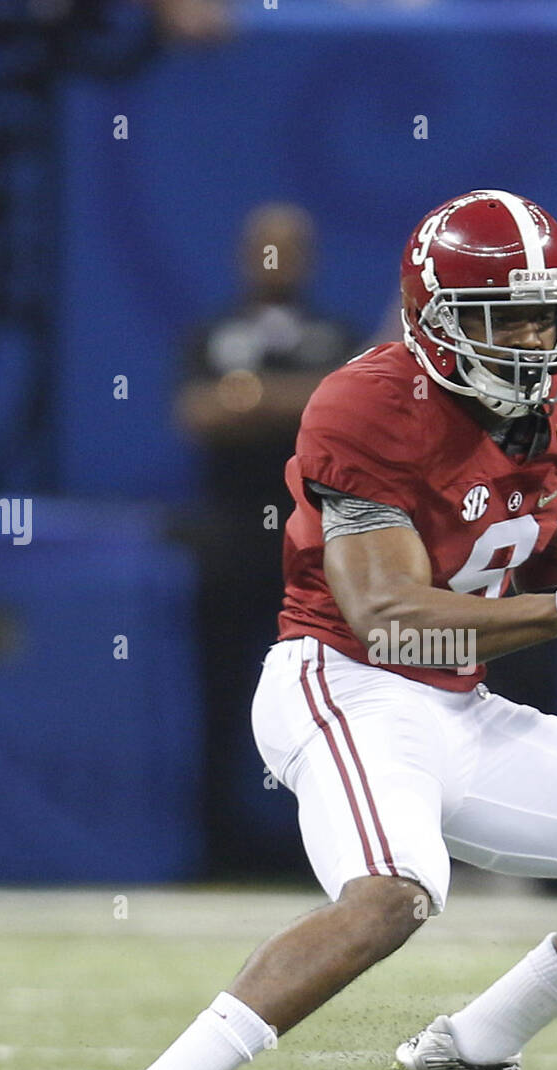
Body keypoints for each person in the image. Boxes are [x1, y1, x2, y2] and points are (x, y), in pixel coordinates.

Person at [71, 190, 557, 1070]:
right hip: (342, 680)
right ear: (432, 318)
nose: (530, 337)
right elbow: (389, 613)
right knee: (394, 889)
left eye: (545, 311)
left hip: (459, 701)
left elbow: (532, 527)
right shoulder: (368, 405)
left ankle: (473, 1050)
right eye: (498, 315)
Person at [175, 203, 358, 871]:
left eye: (291, 247)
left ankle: (334, 850)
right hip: (230, 546)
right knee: (222, 695)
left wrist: (251, 398)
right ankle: (218, 850)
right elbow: (196, 412)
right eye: (265, 246)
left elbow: (343, 412)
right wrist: (294, 401)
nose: (276, 259)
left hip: (318, 551)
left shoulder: (338, 337)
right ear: (244, 254)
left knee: (334, 695)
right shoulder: (211, 334)